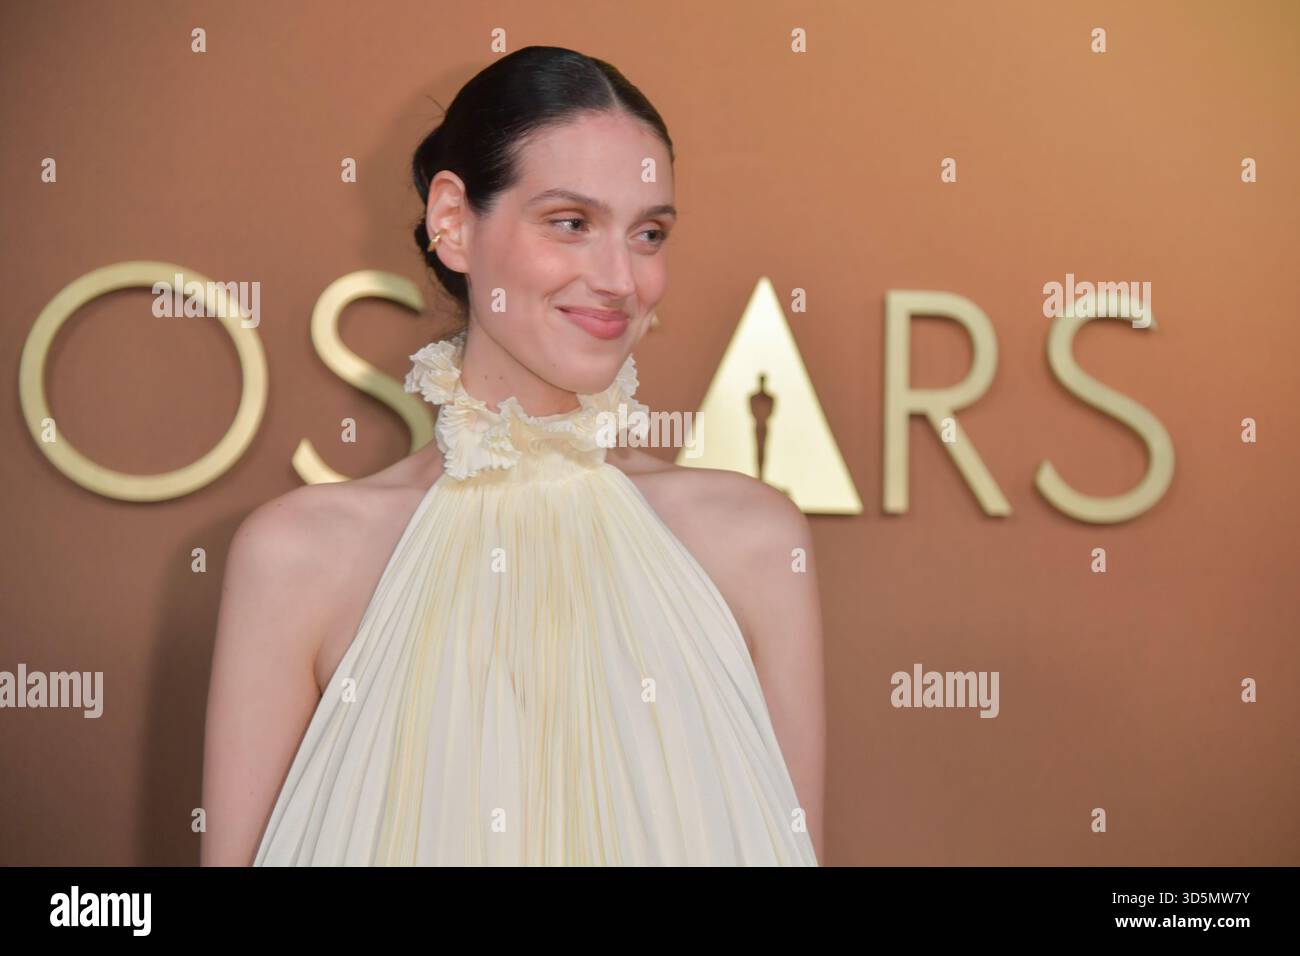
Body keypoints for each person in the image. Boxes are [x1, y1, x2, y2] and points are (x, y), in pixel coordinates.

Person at [200, 45, 824, 865]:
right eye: (571, 223)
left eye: (648, 233)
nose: (619, 278)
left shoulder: (751, 540)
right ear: (453, 222)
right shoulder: (298, 556)